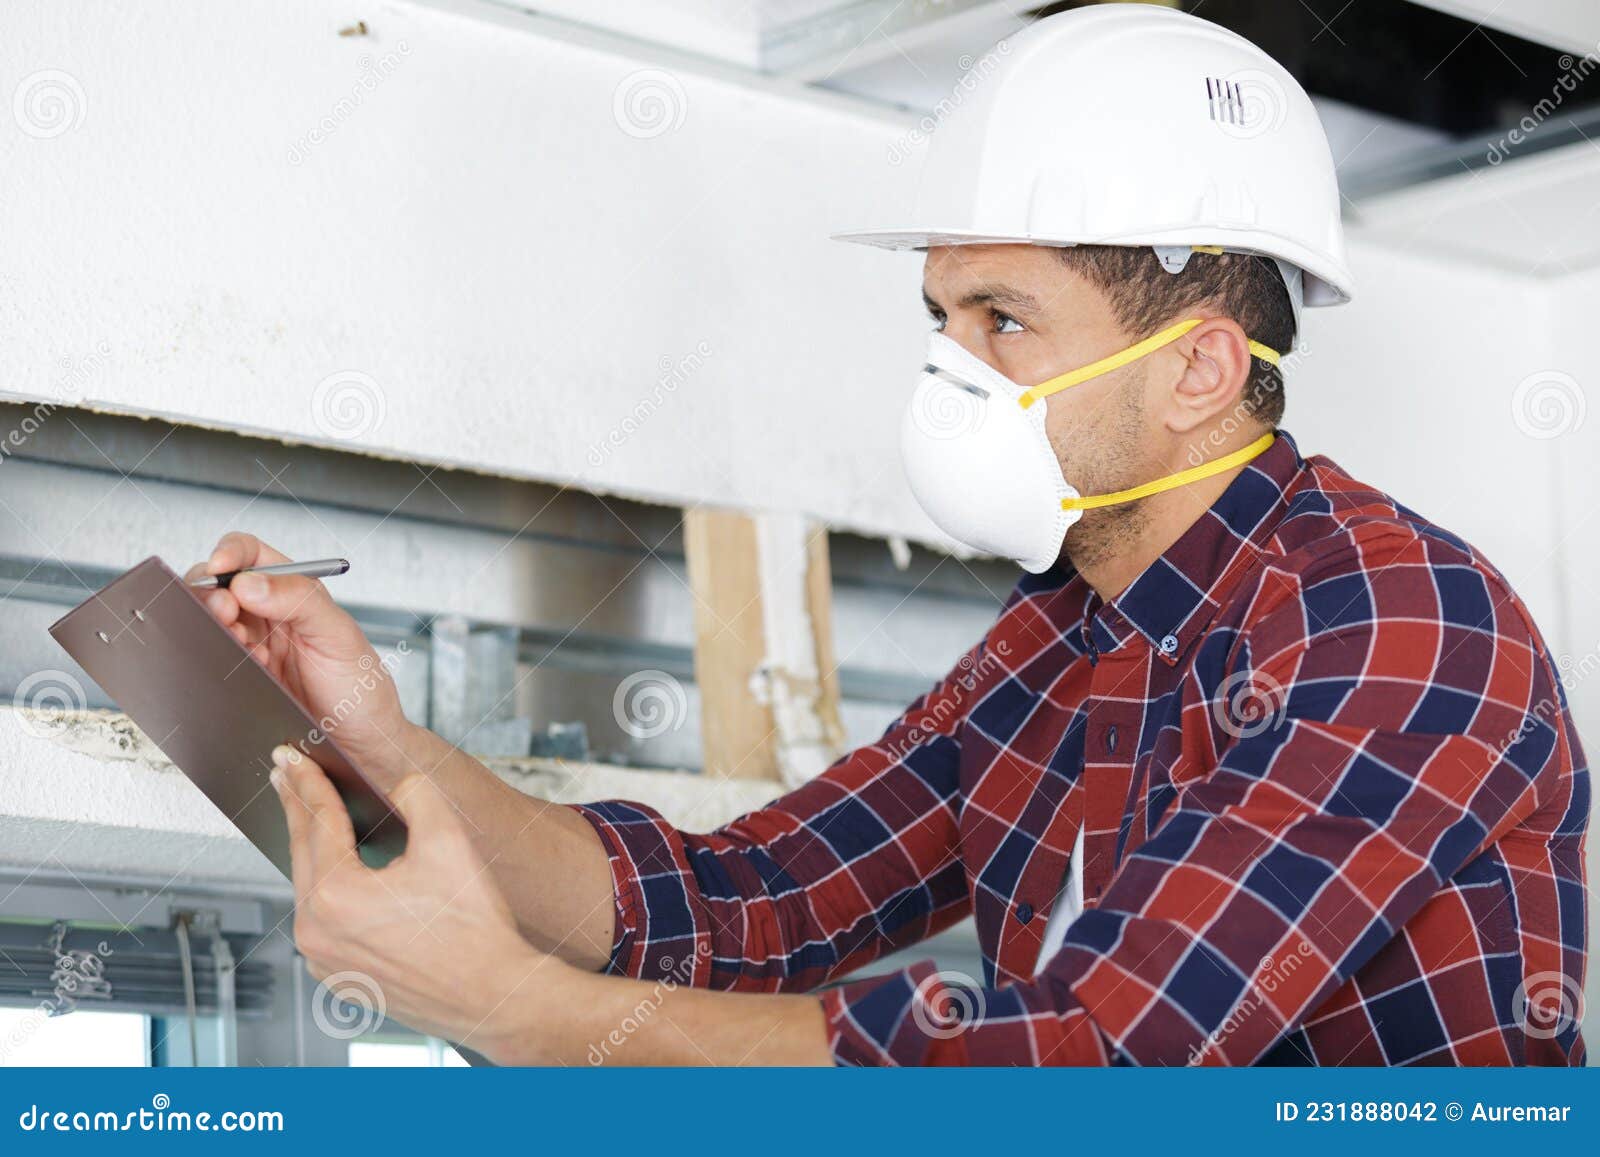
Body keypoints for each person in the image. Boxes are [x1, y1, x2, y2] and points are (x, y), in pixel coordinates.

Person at [190, 5, 1587, 1065]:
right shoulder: (1052, 646)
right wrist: (384, 745)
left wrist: (519, 1009)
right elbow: (749, 904)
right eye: (944, 320)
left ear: (1200, 370)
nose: (953, 370)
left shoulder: (1398, 622)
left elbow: (1093, 1054)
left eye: (1005, 321)